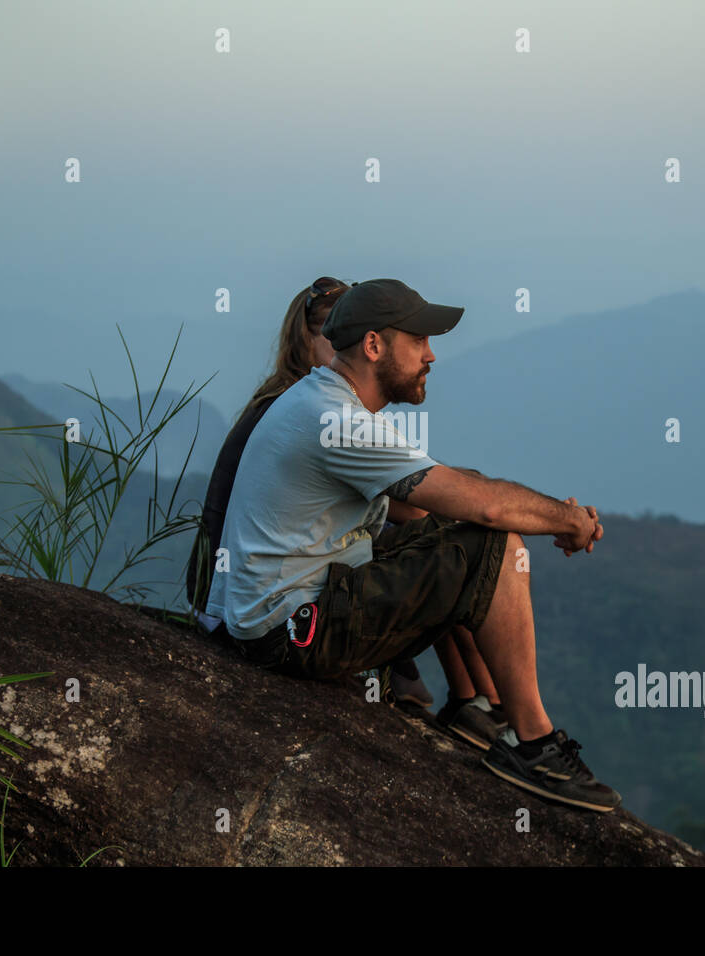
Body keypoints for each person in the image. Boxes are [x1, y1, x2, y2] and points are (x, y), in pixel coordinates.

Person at [206, 278, 621, 811]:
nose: (430, 355)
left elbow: (442, 498)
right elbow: (484, 504)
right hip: (291, 633)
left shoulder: (323, 401)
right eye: (419, 340)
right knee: (491, 545)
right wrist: (566, 520)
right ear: (374, 346)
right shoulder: (337, 422)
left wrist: (551, 516)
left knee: (471, 536)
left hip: (287, 613)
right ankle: (534, 745)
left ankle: (483, 709)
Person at [188, 279, 508, 745]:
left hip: (261, 589)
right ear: (314, 340)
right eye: (333, 334)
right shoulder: (315, 411)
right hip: (244, 605)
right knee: (453, 534)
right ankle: (480, 705)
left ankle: (478, 700)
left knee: (451, 525)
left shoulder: (294, 399)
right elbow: (414, 512)